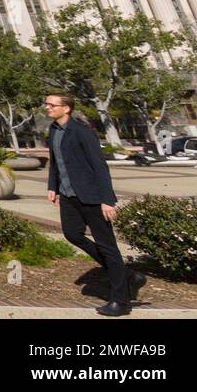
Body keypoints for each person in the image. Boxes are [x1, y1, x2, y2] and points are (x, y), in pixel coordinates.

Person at [45, 94, 143, 316]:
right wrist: (53, 186)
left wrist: (107, 200)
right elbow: (55, 162)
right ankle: (125, 274)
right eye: (47, 104)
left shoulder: (82, 132)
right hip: (68, 196)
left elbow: (100, 167)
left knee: (107, 246)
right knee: (72, 234)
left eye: (52, 105)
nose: (47, 107)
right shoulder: (53, 130)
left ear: (66, 108)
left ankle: (121, 302)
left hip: (92, 197)